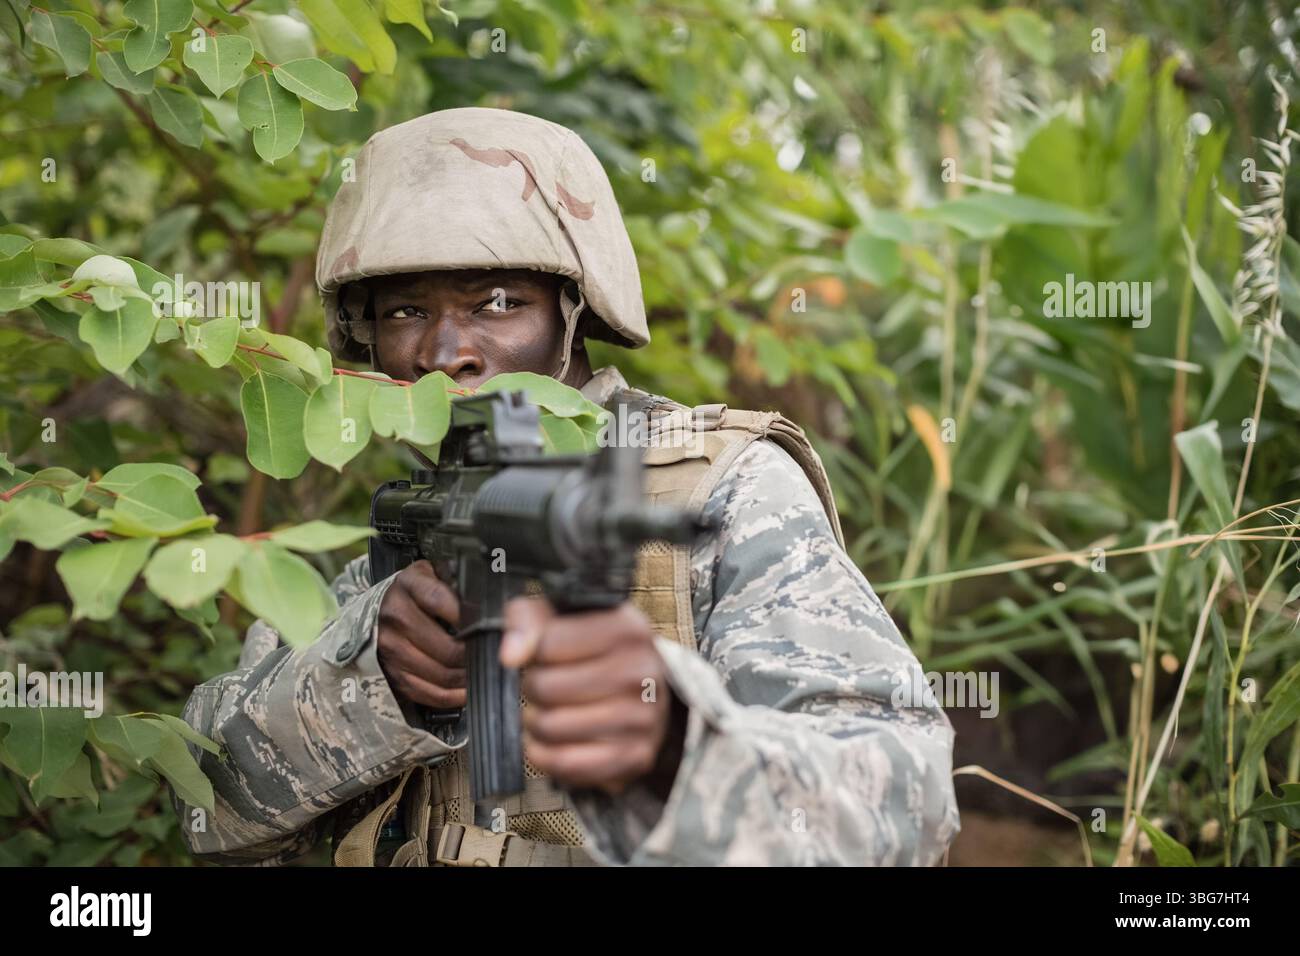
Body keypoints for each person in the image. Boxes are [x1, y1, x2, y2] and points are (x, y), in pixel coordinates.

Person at [172, 107, 961, 866]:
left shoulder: (721, 489)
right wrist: (373, 673)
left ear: (573, 310)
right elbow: (205, 811)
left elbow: (903, 807)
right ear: (366, 335)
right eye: (408, 310)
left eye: (500, 302)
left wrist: (676, 749)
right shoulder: (407, 539)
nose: (448, 351)